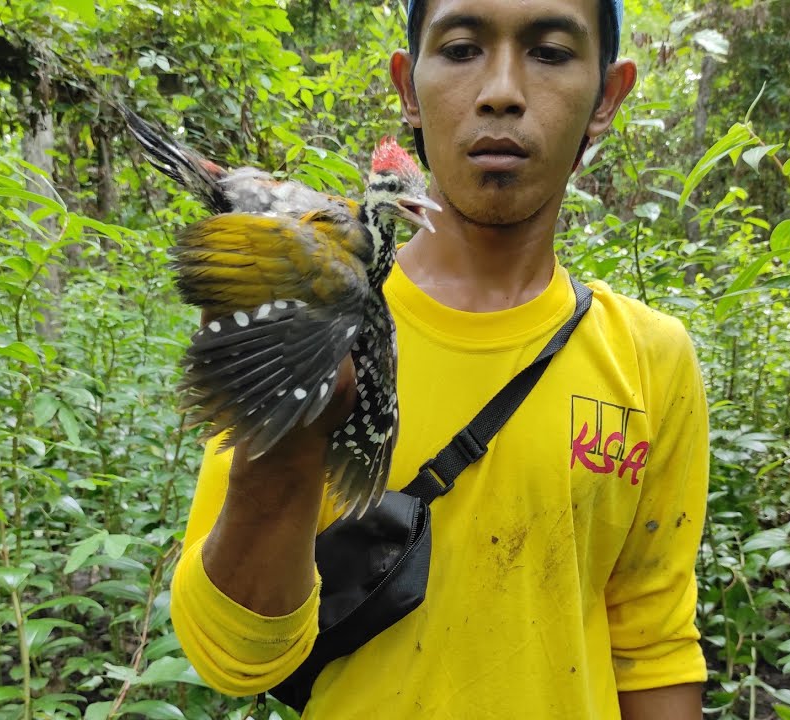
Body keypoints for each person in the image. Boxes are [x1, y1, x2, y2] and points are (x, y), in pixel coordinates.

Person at [169, 0, 710, 716]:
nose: (502, 90)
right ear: (408, 88)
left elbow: (652, 641)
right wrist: (294, 430)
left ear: (607, 96)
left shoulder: (651, 357)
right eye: (460, 49)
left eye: (550, 52)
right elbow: (233, 654)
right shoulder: (309, 312)